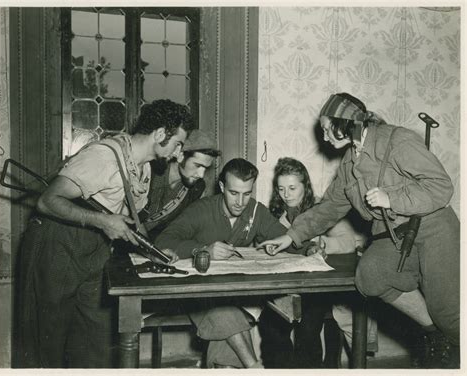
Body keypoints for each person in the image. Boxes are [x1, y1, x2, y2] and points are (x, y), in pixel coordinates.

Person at [259, 92, 460, 368]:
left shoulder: (397, 140)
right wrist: (291, 235)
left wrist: (393, 198)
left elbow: (441, 186)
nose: (326, 137)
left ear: (347, 124)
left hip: (434, 226)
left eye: (328, 129)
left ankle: (448, 336)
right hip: (396, 235)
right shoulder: (350, 161)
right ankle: (436, 333)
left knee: (450, 313)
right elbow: (330, 207)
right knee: (370, 274)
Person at [16, 99, 194, 368]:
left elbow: (132, 221)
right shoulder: (103, 157)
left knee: (94, 346)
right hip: (56, 245)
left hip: (94, 251)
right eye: (178, 143)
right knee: (46, 345)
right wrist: (102, 221)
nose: (180, 153)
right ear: (159, 135)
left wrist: (153, 252)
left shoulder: (143, 167)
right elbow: (48, 201)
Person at [155, 158, 290, 369]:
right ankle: (254, 368)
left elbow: (285, 238)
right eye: (233, 193)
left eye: (247, 194)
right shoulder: (201, 209)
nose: (240, 202)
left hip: (233, 294)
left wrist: (310, 247)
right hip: (195, 293)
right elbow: (163, 241)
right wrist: (203, 250)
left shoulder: (255, 211)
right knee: (225, 311)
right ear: (221, 187)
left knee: (229, 312)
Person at [258, 157, 375, 368]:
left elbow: (347, 241)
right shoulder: (277, 213)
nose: (286, 195)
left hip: (318, 286)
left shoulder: (321, 208)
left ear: (306, 186)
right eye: (281, 188)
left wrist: (321, 244)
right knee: (270, 324)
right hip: (287, 287)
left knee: (308, 327)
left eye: (293, 188)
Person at [139, 129, 221, 241]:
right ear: (180, 155)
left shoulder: (197, 188)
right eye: (197, 165)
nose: (201, 175)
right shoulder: (149, 173)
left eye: (205, 168)